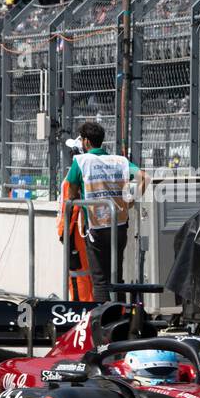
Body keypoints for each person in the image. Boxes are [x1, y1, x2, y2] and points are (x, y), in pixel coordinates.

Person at [63, 121, 145, 301]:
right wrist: (131, 200)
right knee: (117, 277)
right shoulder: (120, 161)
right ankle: (121, 313)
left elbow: (71, 193)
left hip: (96, 227)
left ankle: (103, 317)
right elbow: (143, 177)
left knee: (100, 280)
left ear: (86, 141)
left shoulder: (81, 161)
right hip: (119, 225)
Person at [56, 136, 94, 303]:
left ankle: (79, 308)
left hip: (76, 232)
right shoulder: (88, 174)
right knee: (88, 272)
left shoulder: (72, 179)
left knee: (77, 272)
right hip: (87, 230)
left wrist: (64, 233)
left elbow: (70, 208)